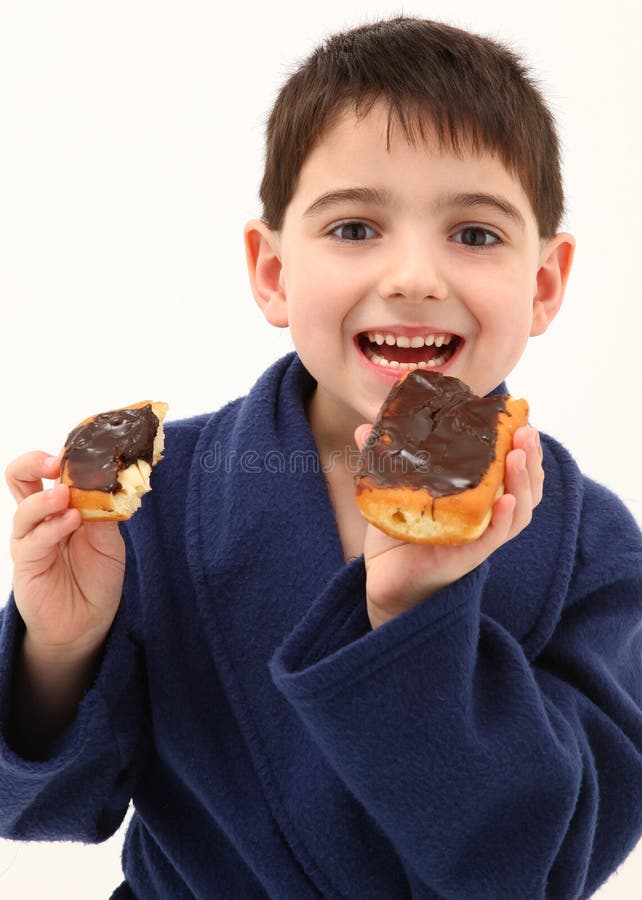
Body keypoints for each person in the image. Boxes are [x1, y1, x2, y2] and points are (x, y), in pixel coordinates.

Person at [1, 15, 641, 899]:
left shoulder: (590, 545)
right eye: (353, 229)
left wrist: (416, 617)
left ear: (543, 283)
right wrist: (59, 649)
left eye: (476, 234)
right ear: (271, 273)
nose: (414, 275)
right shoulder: (163, 496)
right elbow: (47, 807)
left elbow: (542, 864)